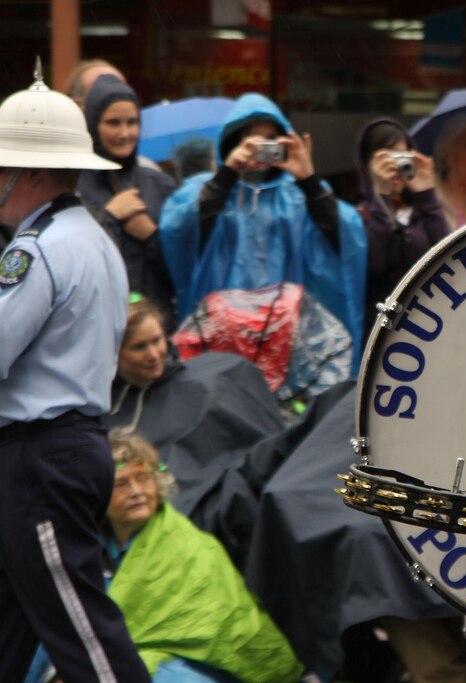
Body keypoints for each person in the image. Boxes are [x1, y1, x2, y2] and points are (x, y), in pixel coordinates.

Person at [0, 69, 150, 681]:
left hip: (41, 454)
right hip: (66, 446)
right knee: (14, 623)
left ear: (28, 172)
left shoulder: (36, 248)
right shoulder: (91, 236)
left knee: (82, 629)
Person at [159, 93, 367, 370]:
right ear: (233, 141)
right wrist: (228, 173)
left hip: (290, 343)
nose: (262, 147)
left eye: (271, 138)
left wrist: (308, 180)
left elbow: (347, 241)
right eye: (251, 139)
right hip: (222, 341)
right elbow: (178, 232)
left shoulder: (299, 194)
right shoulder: (207, 189)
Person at [103, 431, 304, 681]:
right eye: (121, 483)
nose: (136, 491)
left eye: (143, 478)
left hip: (204, 669)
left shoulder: (188, 546)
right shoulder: (87, 550)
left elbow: (224, 626)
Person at [104, 297, 286, 562]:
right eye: (139, 347)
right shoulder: (97, 409)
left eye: (157, 341)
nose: (154, 354)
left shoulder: (214, 380)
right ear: (114, 353)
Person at [78, 73, 177, 324]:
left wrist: (152, 236)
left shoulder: (160, 184)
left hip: (154, 332)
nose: (124, 133)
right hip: (95, 324)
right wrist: (108, 218)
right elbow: (68, 260)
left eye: (132, 122)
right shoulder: (72, 185)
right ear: (92, 124)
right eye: (113, 123)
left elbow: (182, 271)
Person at [355, 118, 450, 340]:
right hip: (379, 331)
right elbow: (375, 262)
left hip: (428, 326)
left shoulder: (423, 212)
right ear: (366, 163)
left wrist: (426, 193)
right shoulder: (358, 216)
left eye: (401, 156)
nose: (394, 167)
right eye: (385, 158)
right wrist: (381, 196)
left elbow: (449, 257)